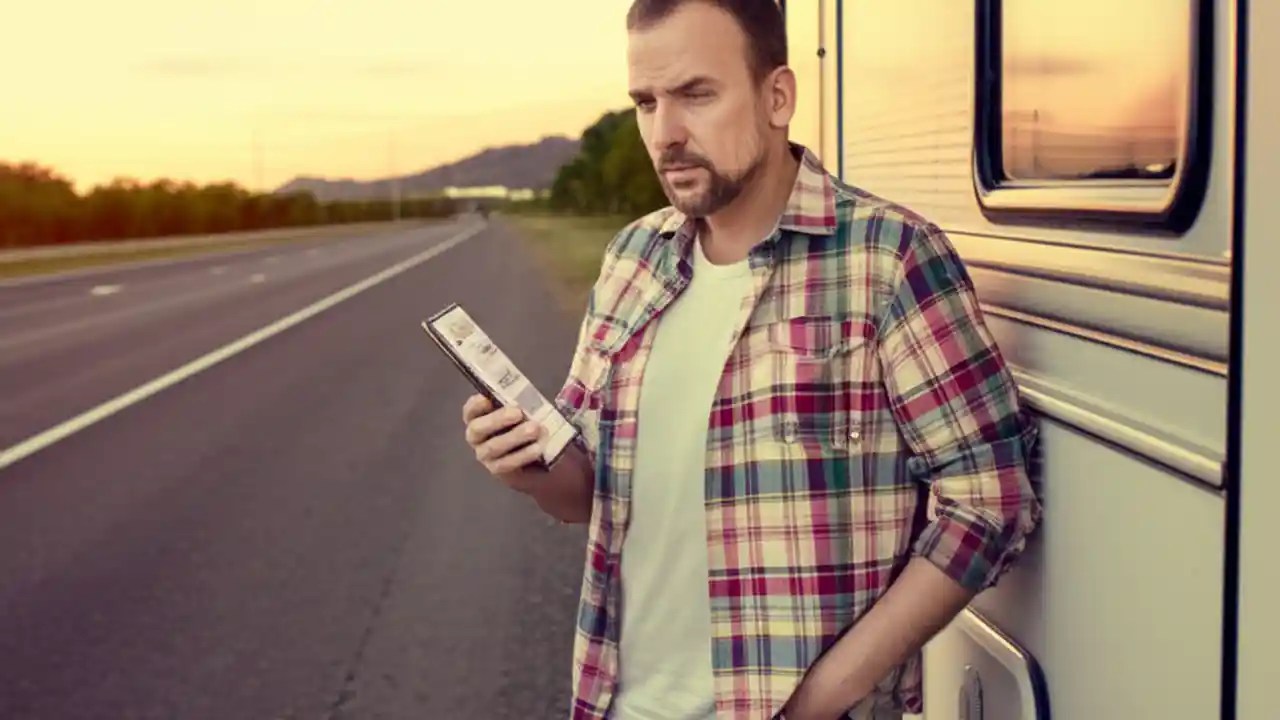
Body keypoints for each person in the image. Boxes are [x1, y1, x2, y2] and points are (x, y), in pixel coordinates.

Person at [461, 0, 1042, 717]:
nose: (665, 133)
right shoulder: (631, 263)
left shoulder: (888, 259)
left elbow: (989, 501)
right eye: (645, 103)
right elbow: (590, 496)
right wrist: (530, 467)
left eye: (696, 95)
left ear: (778, 97)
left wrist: (822, 696)